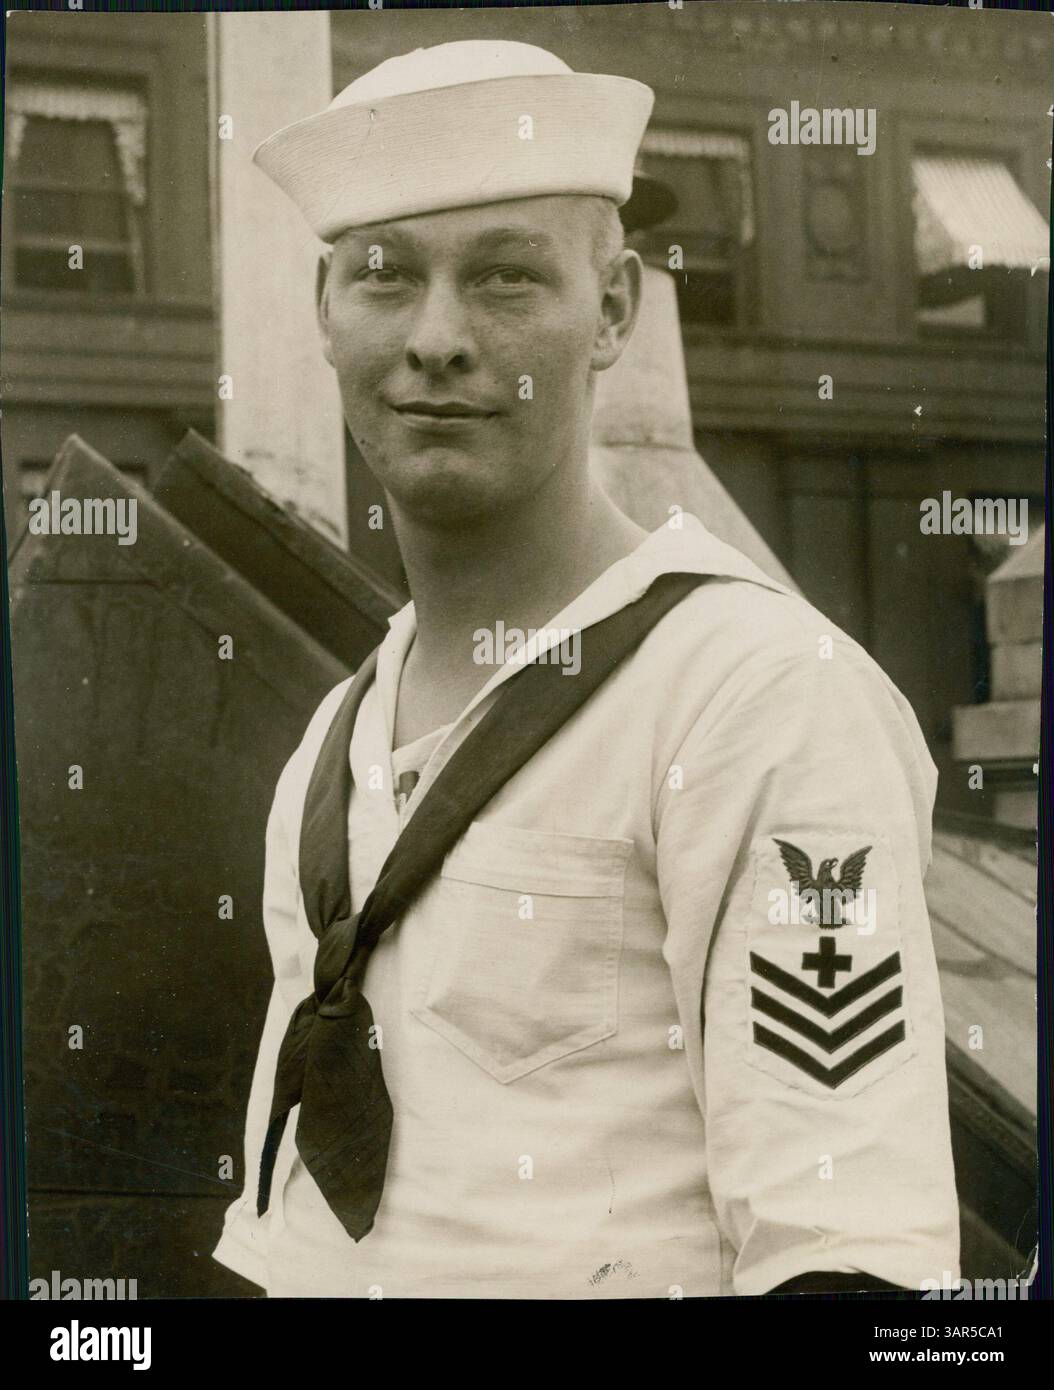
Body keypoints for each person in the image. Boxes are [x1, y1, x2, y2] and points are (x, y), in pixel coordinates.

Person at [213, 39, 959, 1299]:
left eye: (507, 277)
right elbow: (288, 1214)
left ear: (612, 309)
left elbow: (852, 1260)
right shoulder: (334, 737)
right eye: (385, 277)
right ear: (322, 307)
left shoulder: (755, 695)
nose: (438, 338)